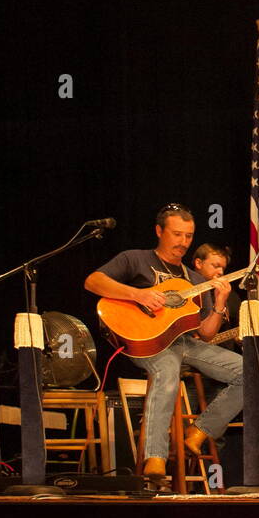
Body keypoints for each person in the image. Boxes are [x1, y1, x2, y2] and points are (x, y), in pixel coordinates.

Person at [84, 204, 242, 485]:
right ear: (159, 231)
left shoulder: (195, 279)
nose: (183, 242)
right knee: (167, 371)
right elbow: (93, 281)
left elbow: (205, 334)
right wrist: (138, 295)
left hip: (184, 343)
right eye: (177, 234)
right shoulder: (135, 259)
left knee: (248, 371)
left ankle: (200, 431)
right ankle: (155, 458)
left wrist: (219, 303)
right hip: (147, 343)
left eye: (189, 236)